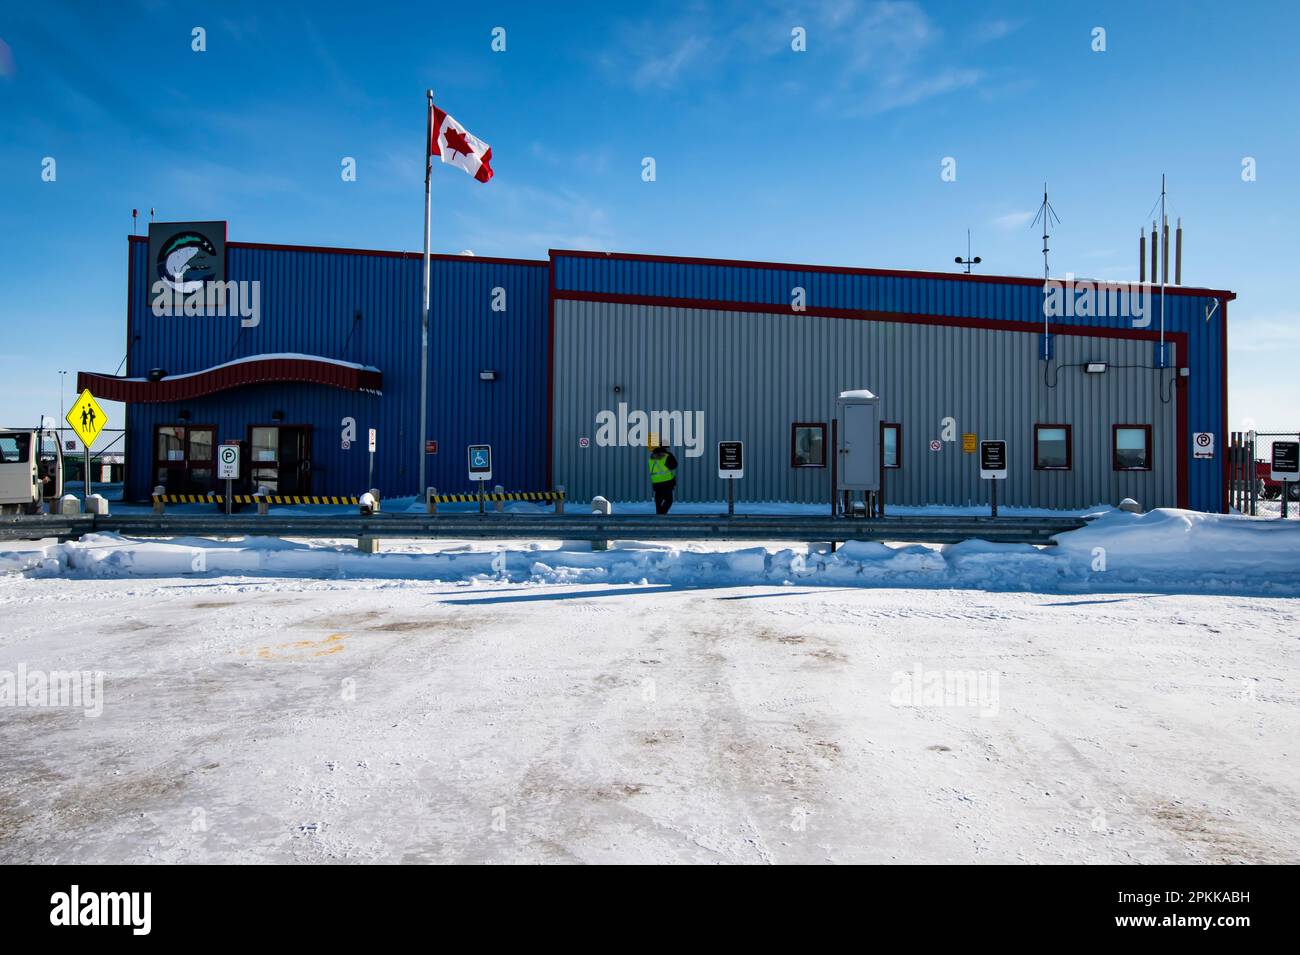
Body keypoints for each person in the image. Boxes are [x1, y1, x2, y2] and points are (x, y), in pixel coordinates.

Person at [648, 444, 678, 514]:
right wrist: (670, 455)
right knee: (668, 500)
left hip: (656, 483)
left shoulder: (651, 458)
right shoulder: (666, 457)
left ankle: (659, 514)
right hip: (666, 482)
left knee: (659, 500)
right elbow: (674, 465)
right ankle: (662, 514)